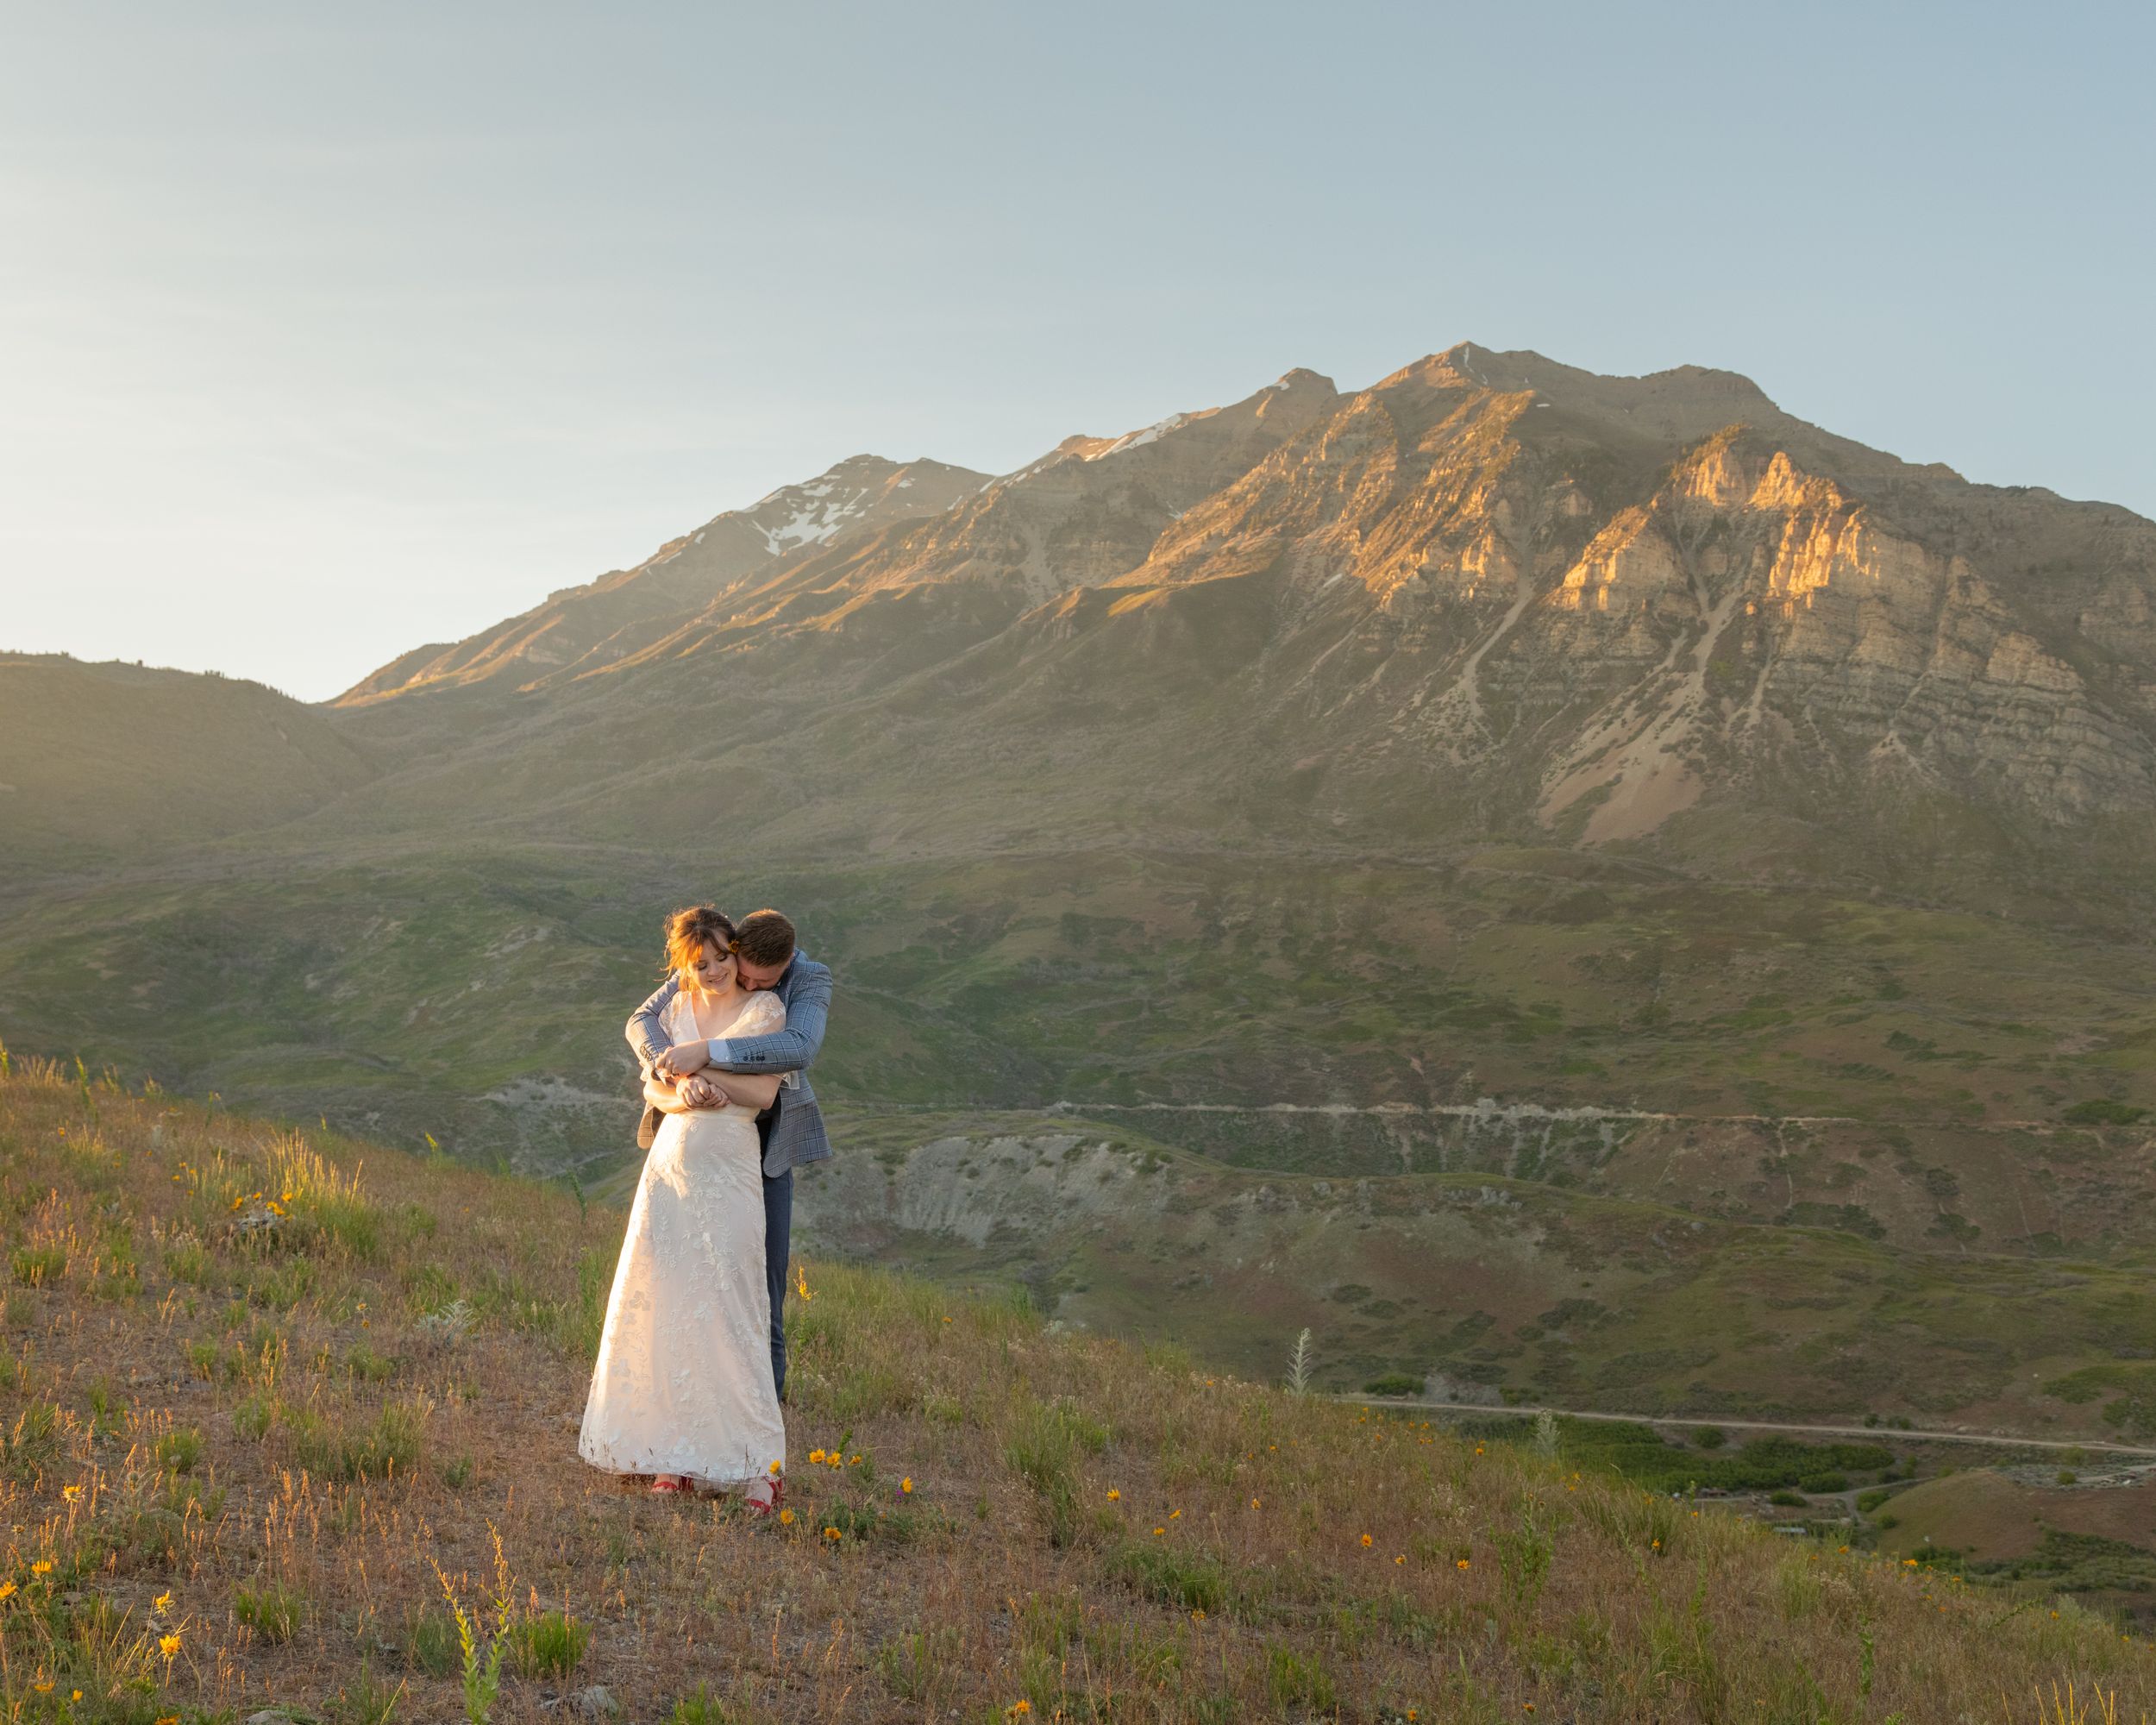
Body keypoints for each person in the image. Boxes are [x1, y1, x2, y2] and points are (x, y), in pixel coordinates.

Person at [579, 907, 799, 1501]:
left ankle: (758, 1468)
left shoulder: (766, 1010)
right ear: (685, 967)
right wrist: (683, 1090)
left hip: (729, 1170)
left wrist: (705, 1073)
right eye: (700, 964)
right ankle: (672, 1456)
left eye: (722, 958)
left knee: (733, 1307)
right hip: (671, 1171)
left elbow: (762, 1093)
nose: (714, 971)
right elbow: (652, 1087)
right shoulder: (675, 1009)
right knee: (670, 1303)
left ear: (736, 950)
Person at [630, 906, 832, 1402]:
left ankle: (763, 1408)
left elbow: (799, 1047)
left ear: (786, 964)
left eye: (763, 981)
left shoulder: (808, 979)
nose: (747, 984)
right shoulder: (714, 961)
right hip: (689, 1146)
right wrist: (670, 1068)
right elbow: (641, 1019)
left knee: (762, 1283)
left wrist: (705, 1055)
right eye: (744, 973)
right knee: (683, 1276)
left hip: (764, 1143)